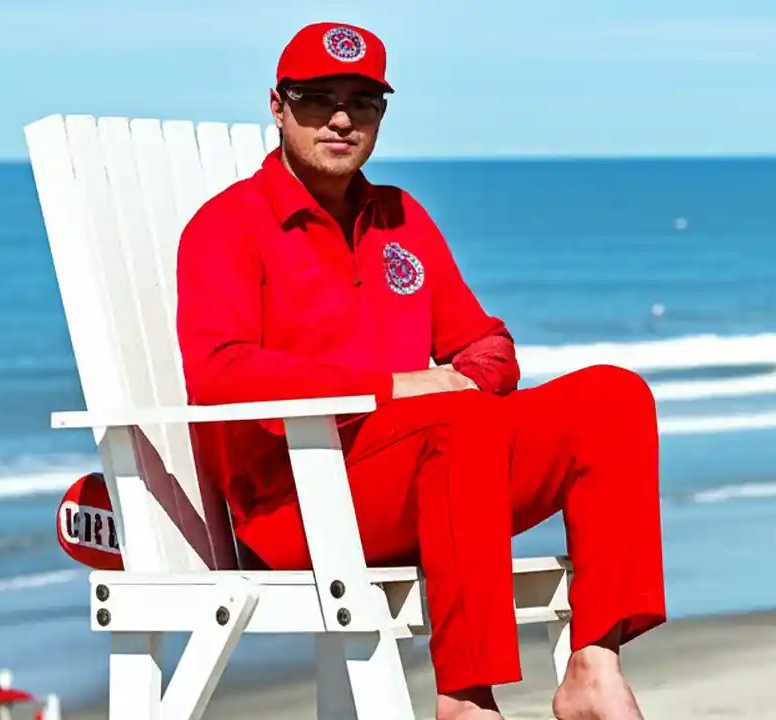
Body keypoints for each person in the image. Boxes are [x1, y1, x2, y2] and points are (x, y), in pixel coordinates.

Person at [175, 22, 665, 720]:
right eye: (317, 99)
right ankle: (465, 699)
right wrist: (395, 388)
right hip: (296, 505)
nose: (341, 119)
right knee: (454, 419)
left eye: (363, 102)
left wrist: (461, 381)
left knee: (613, 397)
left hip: (426, 475)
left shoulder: (401, 219)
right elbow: (222, 377)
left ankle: (594, 665)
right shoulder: (226, 228)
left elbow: (488, 346)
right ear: (277, 106)